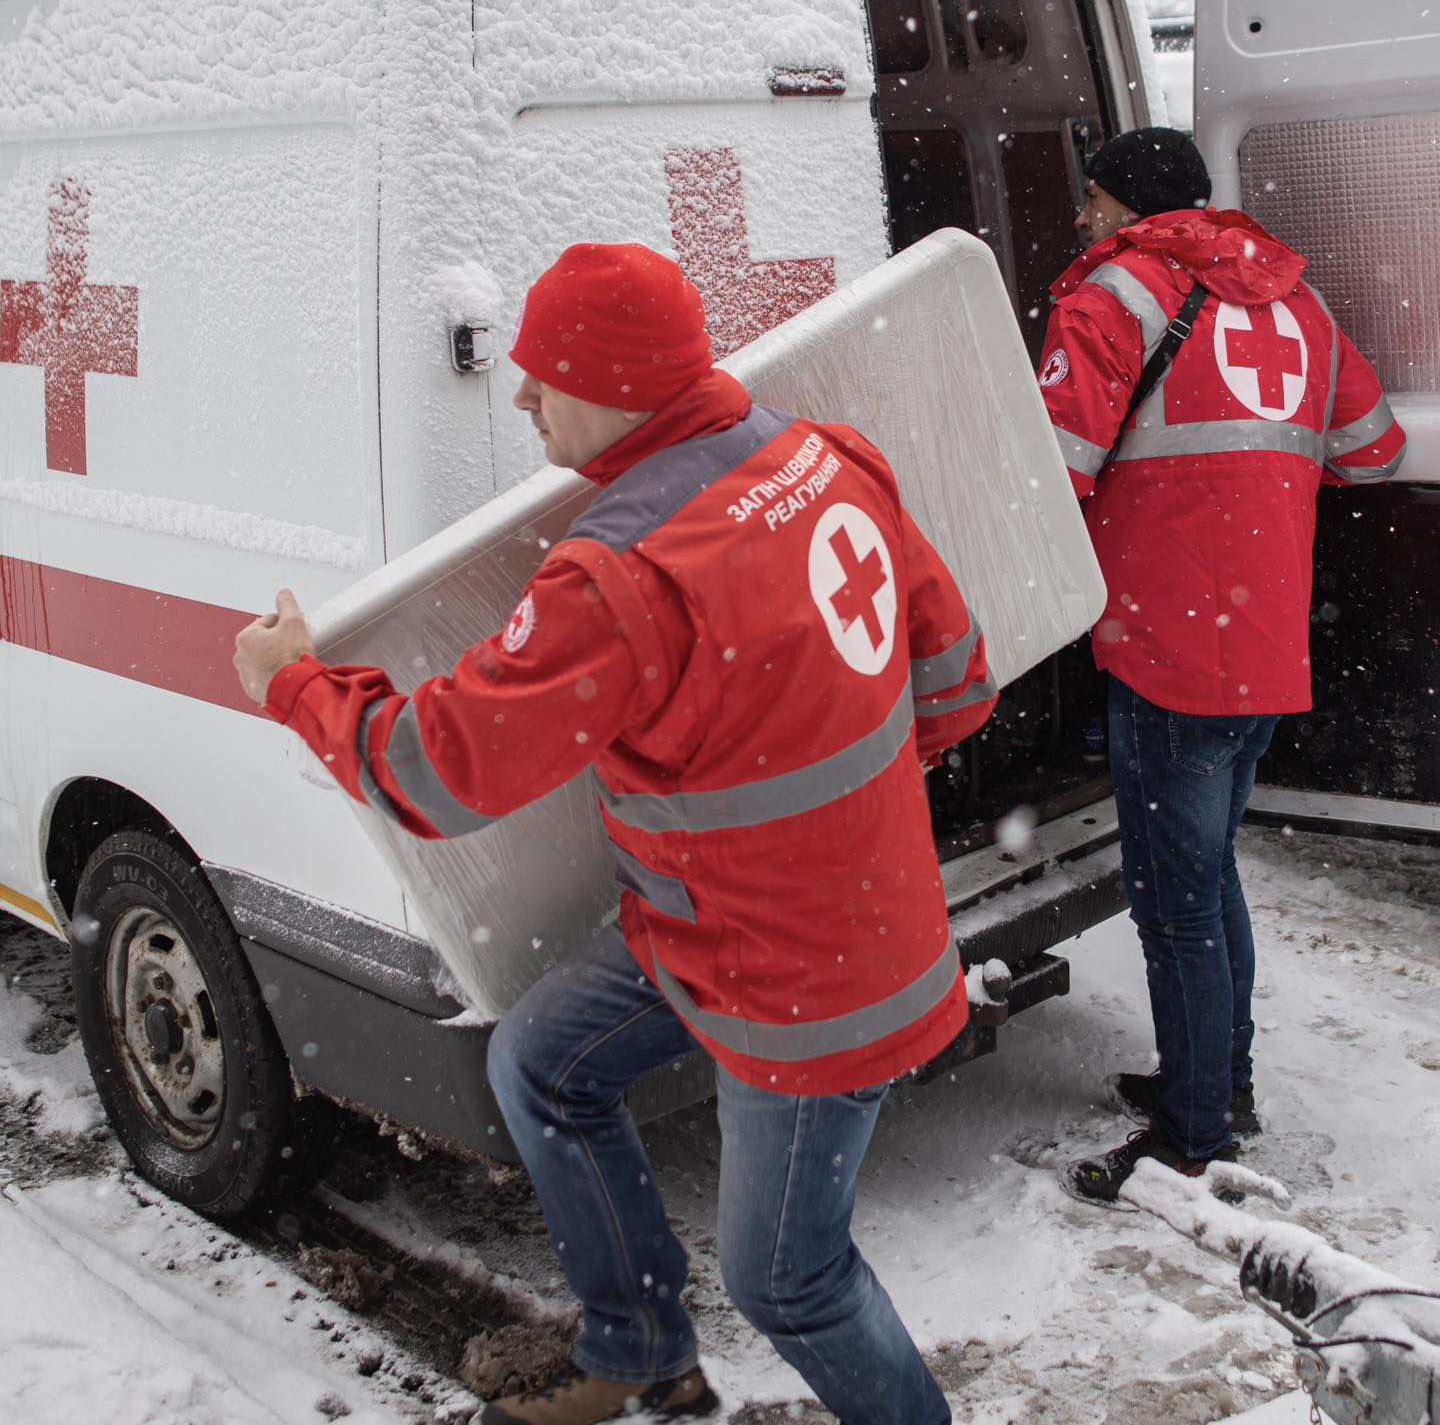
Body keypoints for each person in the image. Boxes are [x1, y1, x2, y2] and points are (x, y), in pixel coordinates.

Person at [234, 242, 997, 1424]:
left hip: (804, 987)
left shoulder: (624, 571)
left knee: (790, 1283)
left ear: (622, 385)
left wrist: (295, 684)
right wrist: (823, 808)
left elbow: (436, 774)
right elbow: (955, 686)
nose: (521, 395)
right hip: (743, 928)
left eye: (547, 374)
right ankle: (640, 1349)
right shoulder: (819, 455)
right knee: (539, 1065)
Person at [1036, 128, 1406, 1204]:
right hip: (1265, 641)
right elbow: (1374, 449)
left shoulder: (1112, 296)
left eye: (1092, 200)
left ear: (1130, 208)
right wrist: (1256, 489)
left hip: (1167, 648)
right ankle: (1217, 1084)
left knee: (1175, 903)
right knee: (1208, 879)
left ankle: (1192, 1141)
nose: (1081, 220)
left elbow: (1050, 472)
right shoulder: (1301, 302)